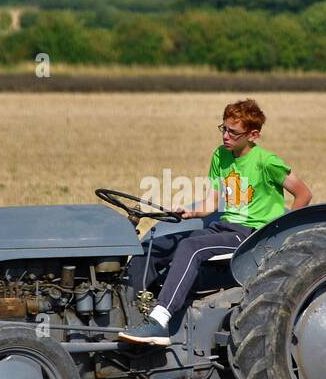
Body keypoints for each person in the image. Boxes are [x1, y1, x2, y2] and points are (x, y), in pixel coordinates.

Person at [119, 98, 311, 346]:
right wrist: (190, 213)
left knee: (190, 248)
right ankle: (130, 312)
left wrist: (280, 233)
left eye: (233, 132)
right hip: (225, 227)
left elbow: (304, 193)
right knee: (156, 246)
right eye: (223, 129)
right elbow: (212, 204)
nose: (226, 136)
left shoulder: (267, 161)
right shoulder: (221, 156)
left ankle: (159, 322)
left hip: (251, 236)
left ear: (253, 135)